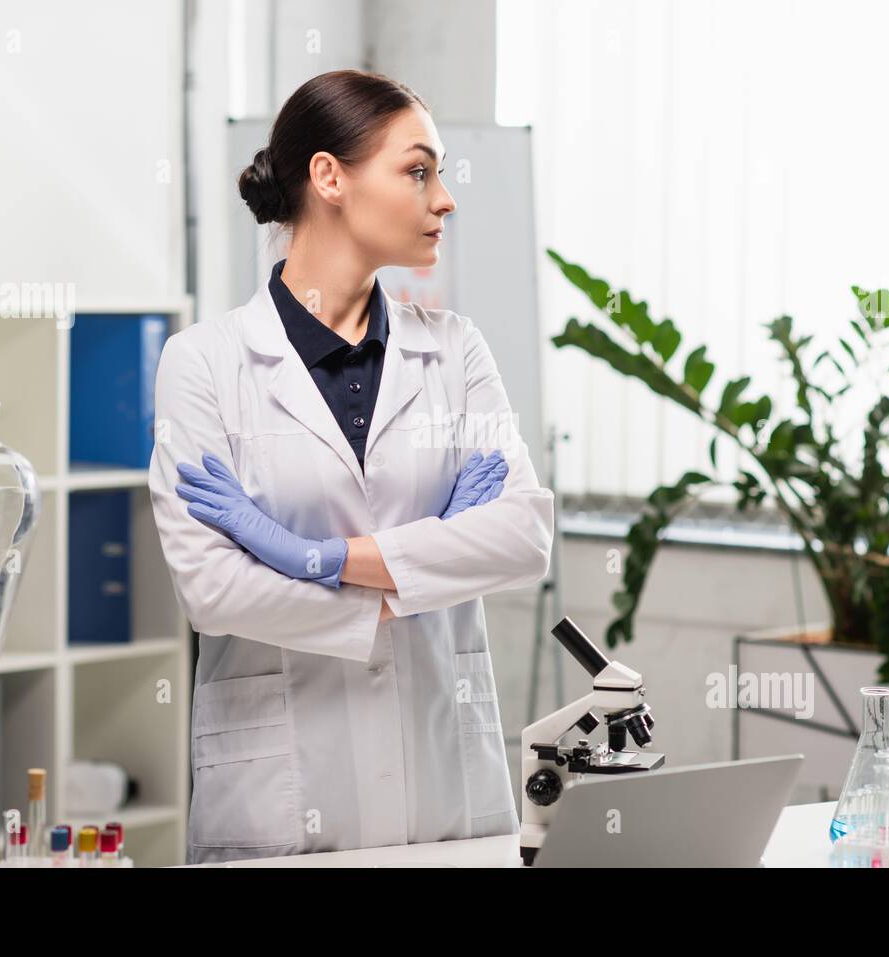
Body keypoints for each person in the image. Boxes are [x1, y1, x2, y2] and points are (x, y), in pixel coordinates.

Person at [148, 69, 555, 864]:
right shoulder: (203, 363)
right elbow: (213, 589)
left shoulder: (455, 350)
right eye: (418, 171)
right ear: (329, 177)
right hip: (280, 800)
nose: (445, 199)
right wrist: (431, 555)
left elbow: (521, 537)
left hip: (446, 793)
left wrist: (312, 557)